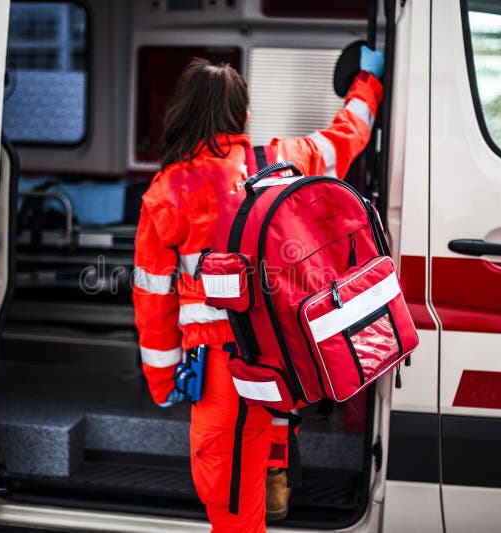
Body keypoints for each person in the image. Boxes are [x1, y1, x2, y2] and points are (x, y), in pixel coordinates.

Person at [133, 46, 384, 532]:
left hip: (223, 373)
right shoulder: (283, 160)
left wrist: (162, 381)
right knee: (263, 457)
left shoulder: (168, 191)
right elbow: (347, 137)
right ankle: (273, 474)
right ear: (242, 113)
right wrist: (368, 81)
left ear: (184, 114)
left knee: (230, 507)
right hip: (284, 361)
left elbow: (153, 299)